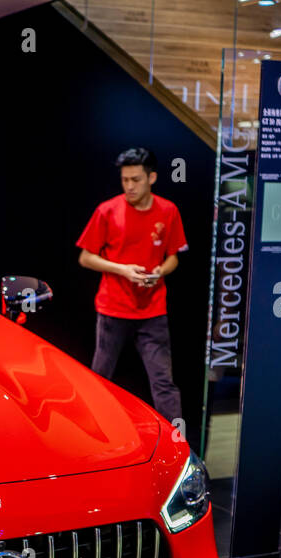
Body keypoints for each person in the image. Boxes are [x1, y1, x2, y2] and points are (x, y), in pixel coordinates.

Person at [77, 147, 187, 428]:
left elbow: (173, 256)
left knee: (164, 382)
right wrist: (122, 270)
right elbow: (85, 258)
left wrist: (160, 271)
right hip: (113, 307)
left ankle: (177, 443)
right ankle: (94, 432)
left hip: (152, 309)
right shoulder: (107, 210)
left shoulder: (168, 210)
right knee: (100, 377)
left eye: (135, 180)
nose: (129, 186)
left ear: (152, 178)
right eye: (125, 180)